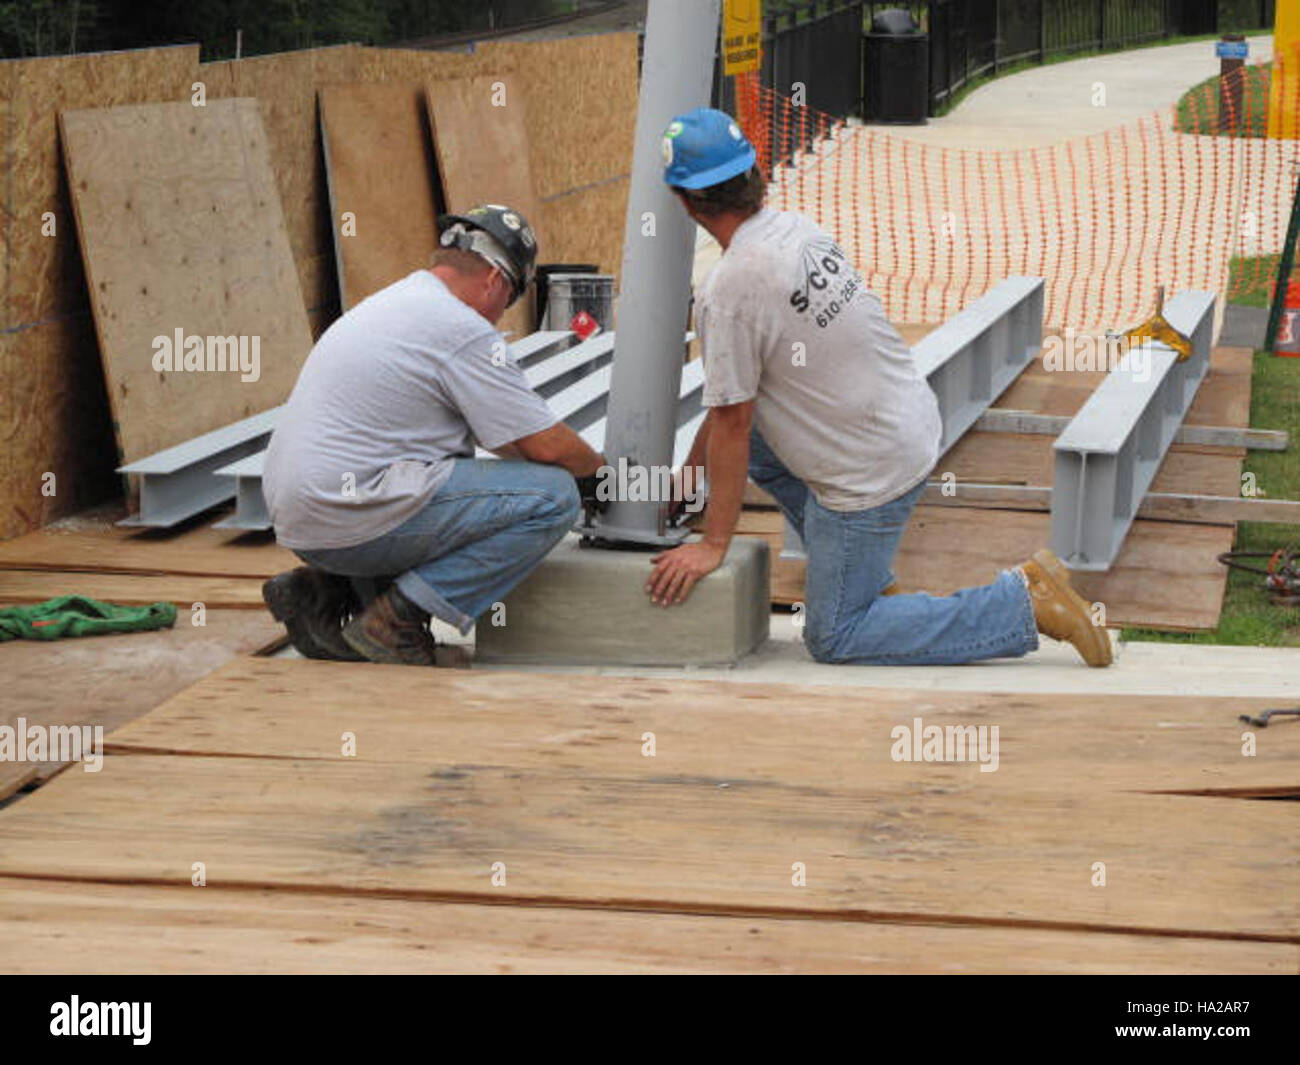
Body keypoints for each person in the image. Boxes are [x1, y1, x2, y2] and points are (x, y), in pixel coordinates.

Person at [645, 108, 1111, 668]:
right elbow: (730, 410)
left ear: (684, 201)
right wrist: (689, 481)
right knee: (759, 450)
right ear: (754, 173)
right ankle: (865, 580)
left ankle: (1019, 602)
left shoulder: (729, 289)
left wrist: (712, 544)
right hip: (905, 424)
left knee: (836, 635)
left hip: (869, 473)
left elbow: (731, 423)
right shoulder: (796, 230)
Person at [261, 204, 605, 666]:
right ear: (495, 281)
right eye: (510, 298)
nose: (501, 313)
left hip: (303, 518)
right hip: (348, 514)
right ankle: (395, 623)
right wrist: (606, 478)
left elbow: (512, 440)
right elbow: (544, 444)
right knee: (554, 498)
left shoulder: (396, 302)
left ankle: (326, 591)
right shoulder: (460, 329)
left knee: (457, 484)